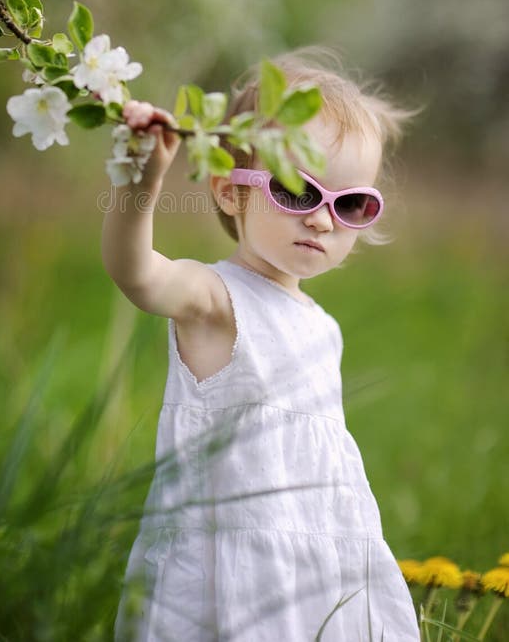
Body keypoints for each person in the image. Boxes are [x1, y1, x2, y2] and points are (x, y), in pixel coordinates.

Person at [104, 49, 420, 641]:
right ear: (230, 191)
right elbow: (137, 274)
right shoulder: (216, 299)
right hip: (233, 558)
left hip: (315, 556)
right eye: (297, 191)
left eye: (350, 203)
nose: (323, 220)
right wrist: (140, 181)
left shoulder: (323, 326)